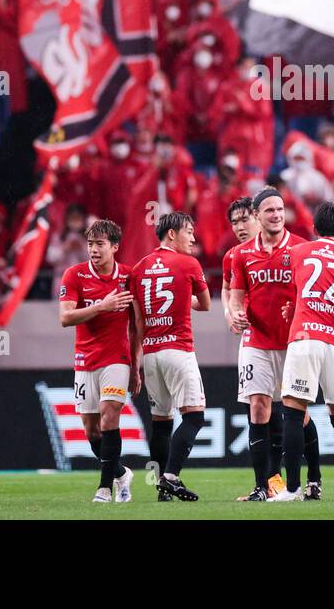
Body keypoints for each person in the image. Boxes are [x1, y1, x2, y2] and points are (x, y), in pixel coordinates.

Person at [225, 187, 323, 501]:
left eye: (280, 210)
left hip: (294, 340)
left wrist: (298, 309)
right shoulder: (241, 254)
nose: (277, 215)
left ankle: (314, 478)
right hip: (256, 339)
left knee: (300, 413)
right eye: (269, 211)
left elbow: (313, 293)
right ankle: (263, 486)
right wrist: (236, 315)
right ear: (258, 216)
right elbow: (236, 296)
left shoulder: (302, 248)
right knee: (258, 407)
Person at [273, 202, 334, 503]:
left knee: (293, 411)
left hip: (304, 337)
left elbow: (295, 286)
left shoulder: (298, 252)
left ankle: (292, 489)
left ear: (314, 229)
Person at [57, 218, 139, 504]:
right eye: (91, 244)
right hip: (84, 360)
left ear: (114, 247)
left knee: (109, 414)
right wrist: (102, 307)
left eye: (100, 244)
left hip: (117, 359)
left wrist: (135, 365)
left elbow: (136, 326)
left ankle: (104, 488)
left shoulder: (129, 277)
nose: (94, 249)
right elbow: (65, 318)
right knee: (92, 431)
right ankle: (120, 472)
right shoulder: (74, 275)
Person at [130, 212, 210, 502]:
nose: (193, 238)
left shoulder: (139, 268)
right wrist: (181, 295)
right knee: (195, 417)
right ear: (172, 234)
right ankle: (171, 476)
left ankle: (161, 490)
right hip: (178, 350)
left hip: (151, 355)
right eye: (189, 231)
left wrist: (134, 364)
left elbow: (137, 323)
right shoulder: (188, 263)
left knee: (161, 423)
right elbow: (205, 304)